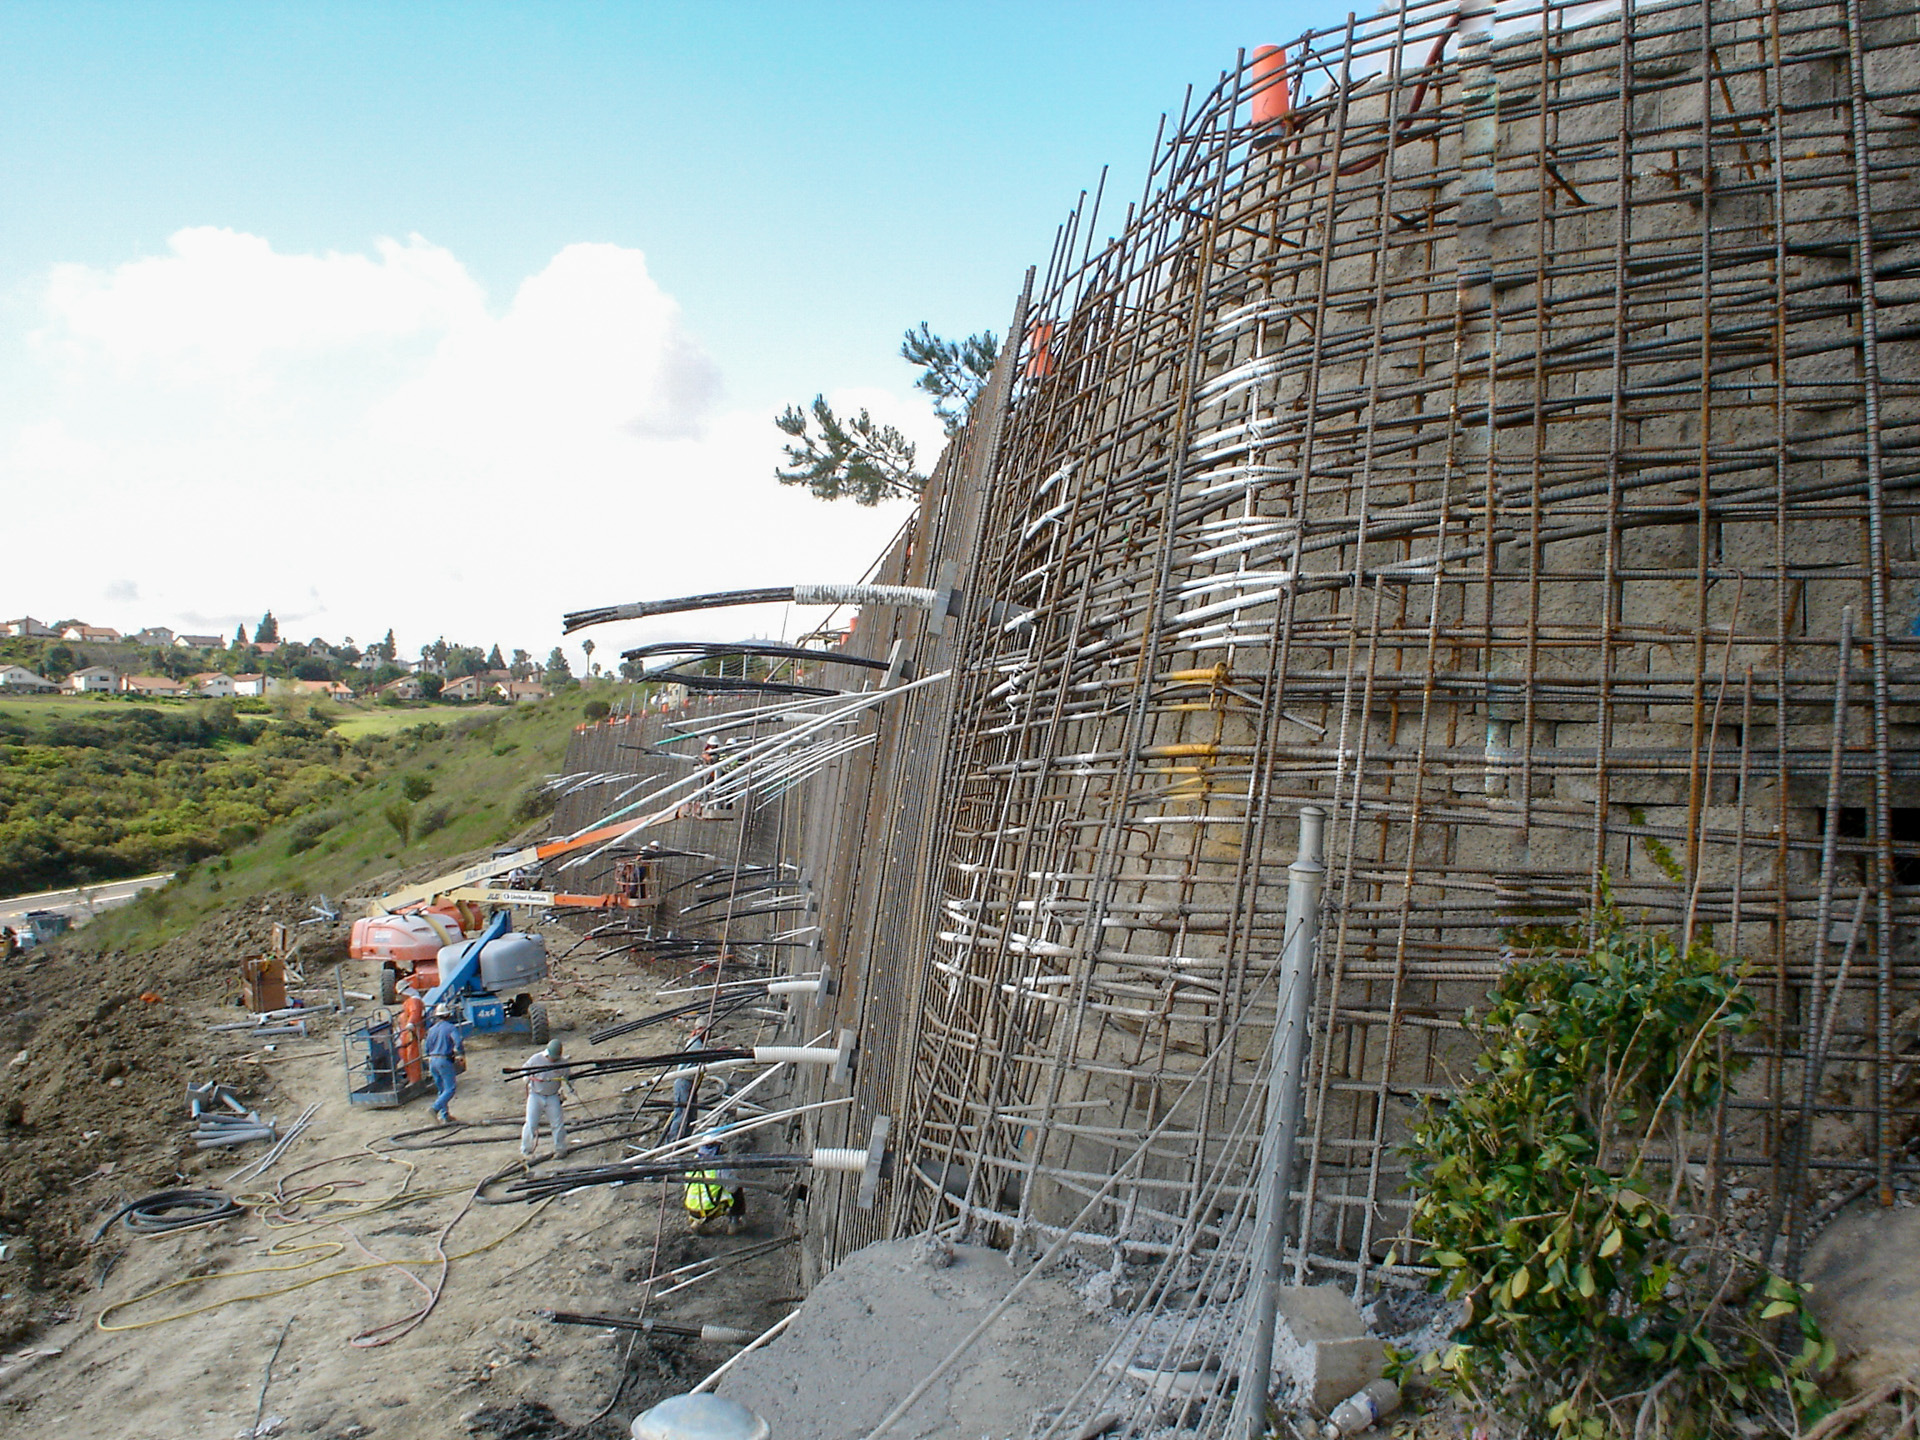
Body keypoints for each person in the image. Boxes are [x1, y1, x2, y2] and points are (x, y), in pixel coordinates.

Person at [520, 1037, 576, 1160]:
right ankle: (526, 1150)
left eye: (555, 1058)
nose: (553, 1060)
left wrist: (571, 1088)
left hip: (552, 1097)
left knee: (558, 1124)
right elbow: (524, 1071)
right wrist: (527, 1078)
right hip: (536, 1095)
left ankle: (560, 1149)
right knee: (531, 1124)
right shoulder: (536, 1059)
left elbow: (568, 1077)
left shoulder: (562, 1063)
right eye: (552, 1057)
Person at [683, 1142, 745, 1233]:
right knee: (737, 1189)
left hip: (693, 1210)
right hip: (710, 1209)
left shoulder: (690, 1164)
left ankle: (697, 1223)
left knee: (704, 1191)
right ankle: (734, 1224)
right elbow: (732, 1188)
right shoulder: (718, 1165)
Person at [666, 1018, 710, 1142]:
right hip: (684, 1083)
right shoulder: (695, 1044)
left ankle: (683, 1140)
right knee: (682, 1114)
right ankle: (673, 1142)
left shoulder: (699, 1044)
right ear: (699, 1030)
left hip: (691, 1083)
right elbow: (706, 1055)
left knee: (691, 1115)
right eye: (706, 1031)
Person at [422, 1003, 465, 1124]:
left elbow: (426, 1047)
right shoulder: (450, 1028)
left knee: (441, 1089)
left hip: (432, 1060)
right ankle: (434, 1109)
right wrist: (460, 1054)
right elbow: (458, 1042)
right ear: (448, 1015)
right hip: (443, 1060)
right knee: (450, 1088)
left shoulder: (431, 1030)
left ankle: (445, 1116)